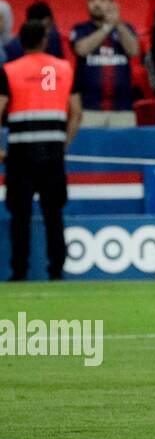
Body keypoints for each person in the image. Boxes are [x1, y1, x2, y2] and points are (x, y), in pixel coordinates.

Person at [0, 20, 80, 281]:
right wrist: (62, 143)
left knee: (20, 216)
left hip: (20, 155)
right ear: (45, 40)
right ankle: (56, 270)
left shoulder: (9, 70)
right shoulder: (65, 69)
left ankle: (19, 271)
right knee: (53, 215)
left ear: (20, 42)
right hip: (52, 154)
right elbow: (76, 112)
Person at [69, 0, 139, 128]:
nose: (97, 4)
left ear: (112, 4)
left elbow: (133, 50)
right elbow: (81, 49)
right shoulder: (80, 29)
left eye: (102, 0)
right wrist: (107, 27)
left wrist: (118, 24)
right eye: (93, 0)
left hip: (123, 109)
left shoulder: (126, 29)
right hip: (90, 109)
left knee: (124, 150)